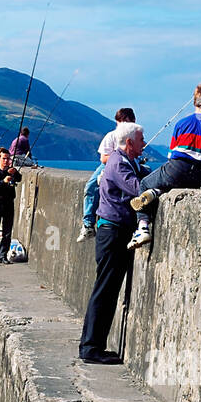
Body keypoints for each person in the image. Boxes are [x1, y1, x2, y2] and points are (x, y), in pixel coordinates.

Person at [128, 82, 201, 250]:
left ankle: (142, 228)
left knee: (145, 182)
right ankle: (156, 191)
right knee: (173, 183)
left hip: (177, 168)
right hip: (198, 177)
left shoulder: (182, 124)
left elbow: (171, 156)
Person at [79, 122, 146, 364]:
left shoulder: (124, 162)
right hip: (112, 232)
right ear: (129, 143)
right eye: (140, 140)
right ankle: (91, 347)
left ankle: (91, 345)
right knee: (105, 290)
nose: (143, 144)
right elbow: (138, 189)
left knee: (105, 290)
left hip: (114, 231)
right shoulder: (118, 163)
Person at [78, 108, 137, 242]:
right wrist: (118, 158)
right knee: (91, 187)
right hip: (108, 167)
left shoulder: (136, 135)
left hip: (129, 165)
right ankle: (88, 224)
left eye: (125, 122)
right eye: (119, 123)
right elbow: (103, 158)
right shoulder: (111, 136)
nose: (121, 126)